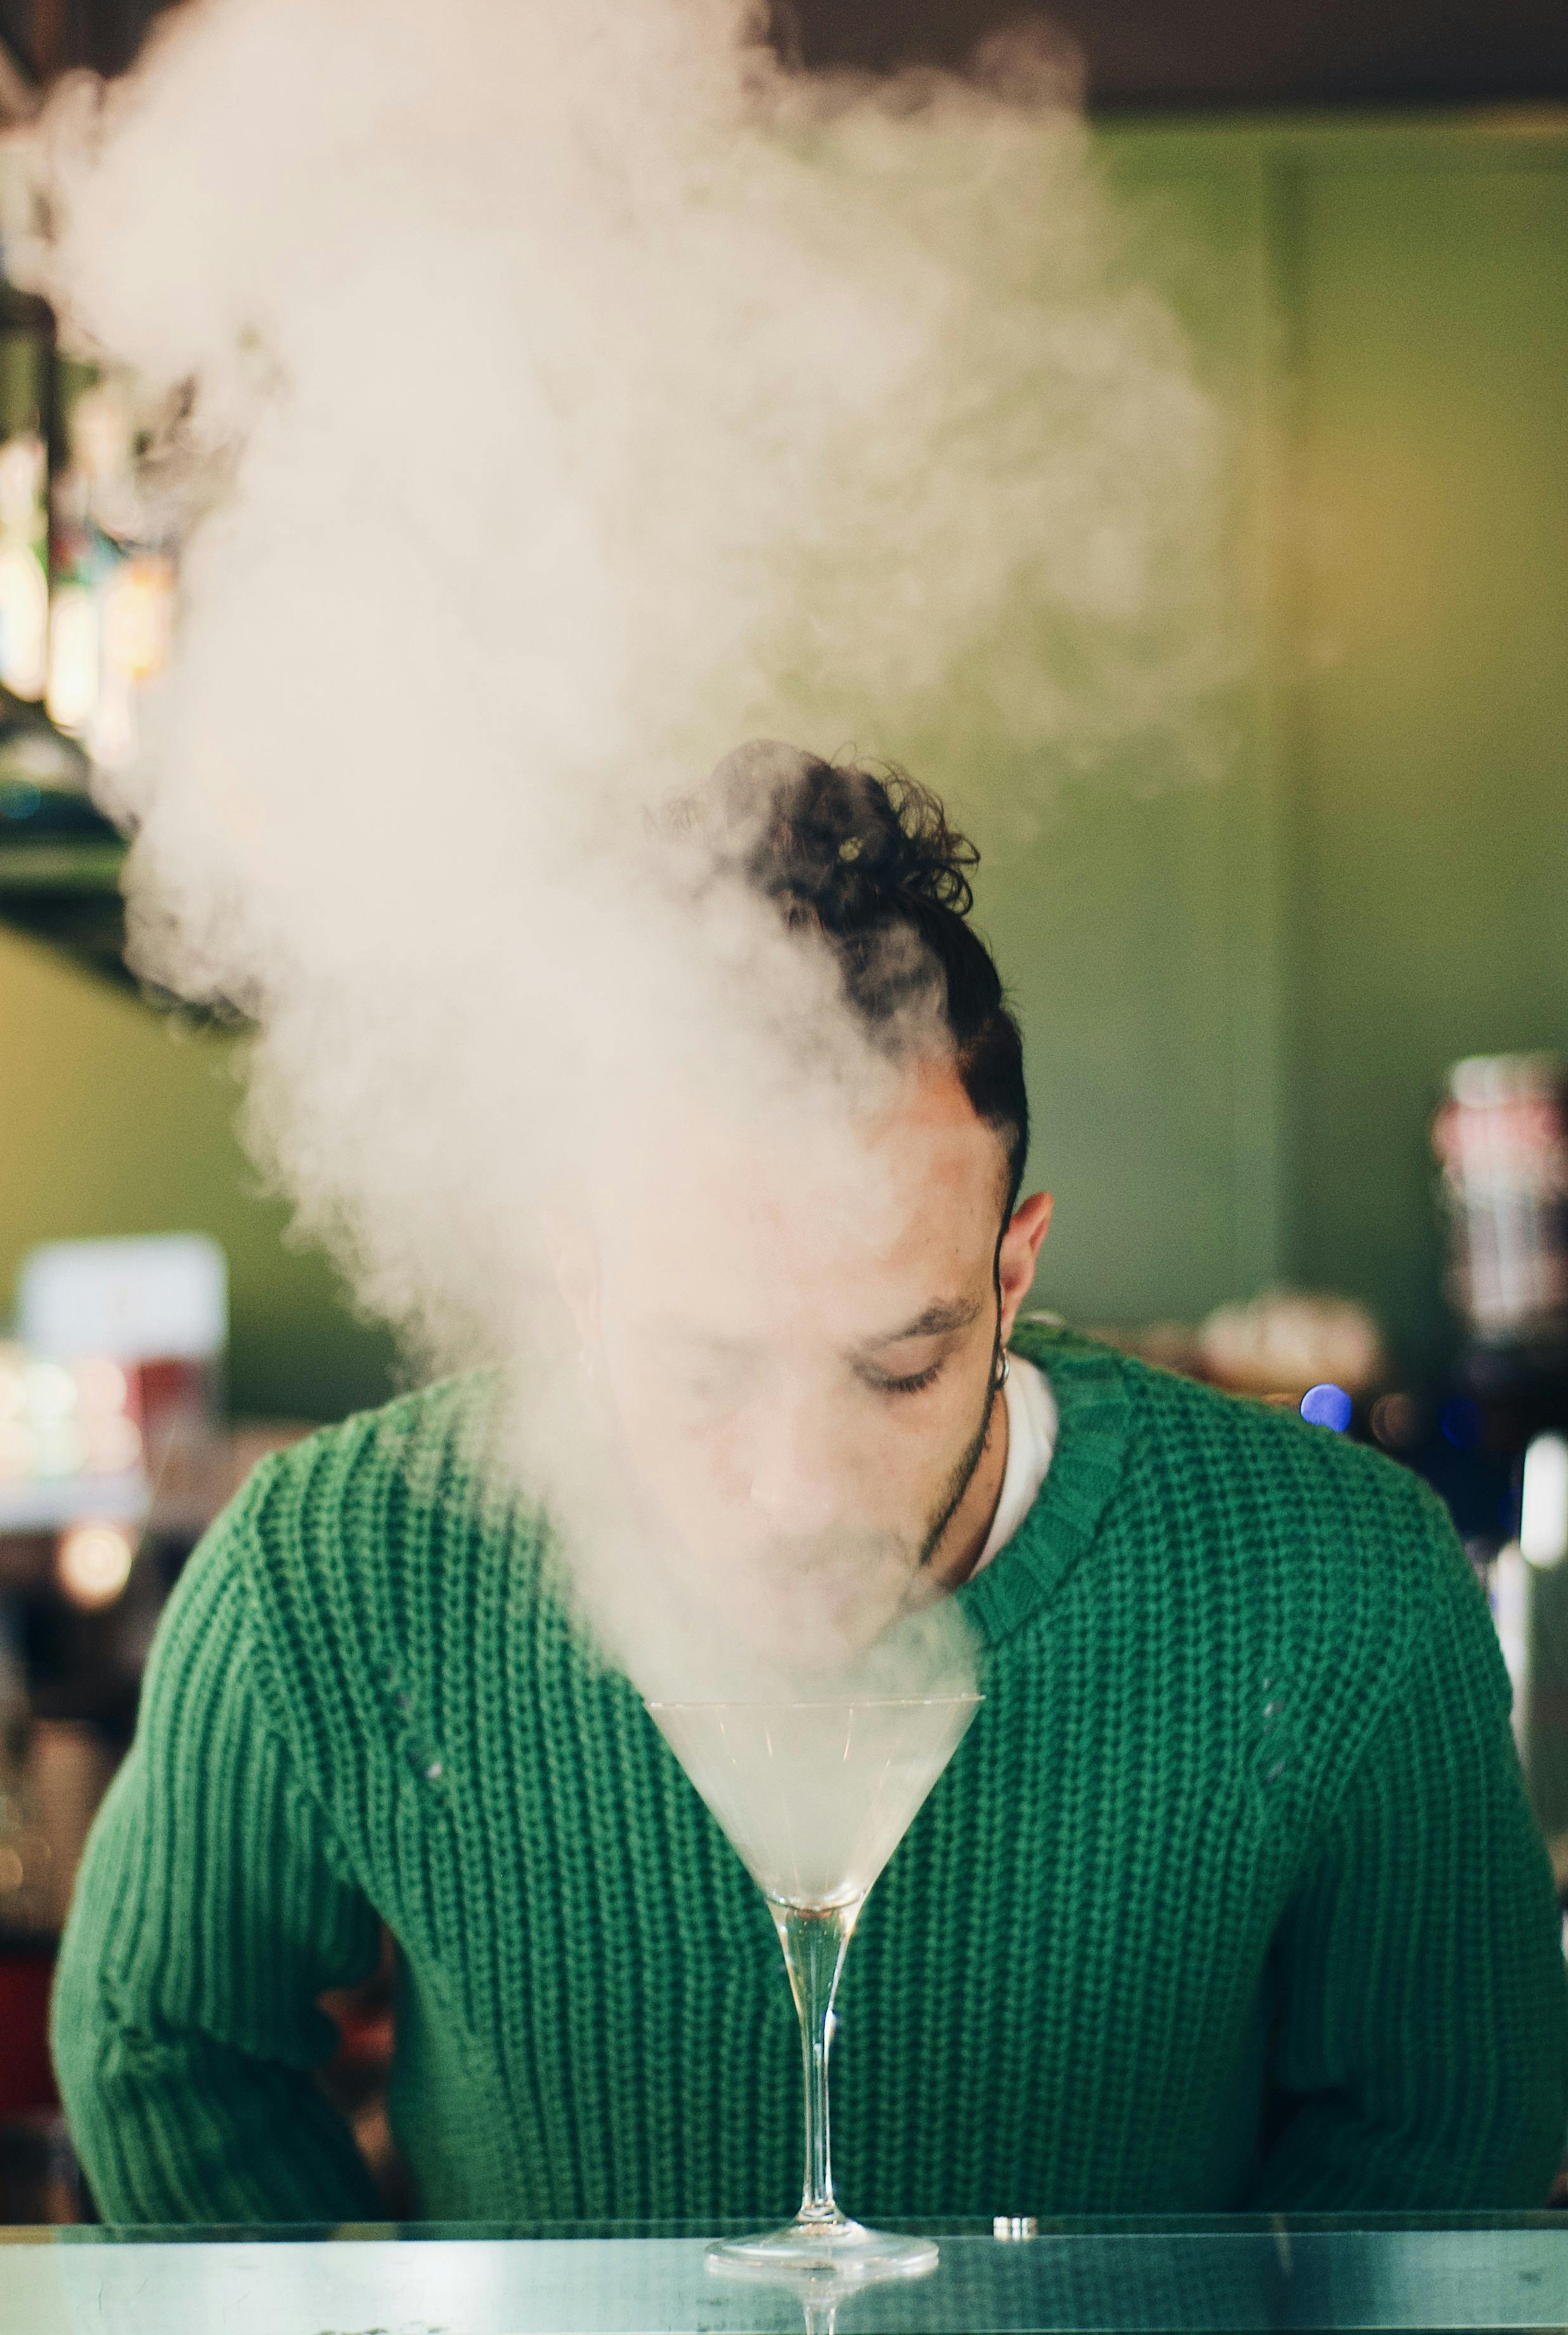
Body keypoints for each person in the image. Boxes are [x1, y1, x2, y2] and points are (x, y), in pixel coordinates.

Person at [53, 747, 1568, 2223]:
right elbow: (161, 2041)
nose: (800, 1489)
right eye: (705, 1369)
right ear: (577, 1280)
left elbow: (1450, 2115)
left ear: (1012, 1266)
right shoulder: (332, 1567)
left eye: (899, 1367)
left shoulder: (1340, 1582)